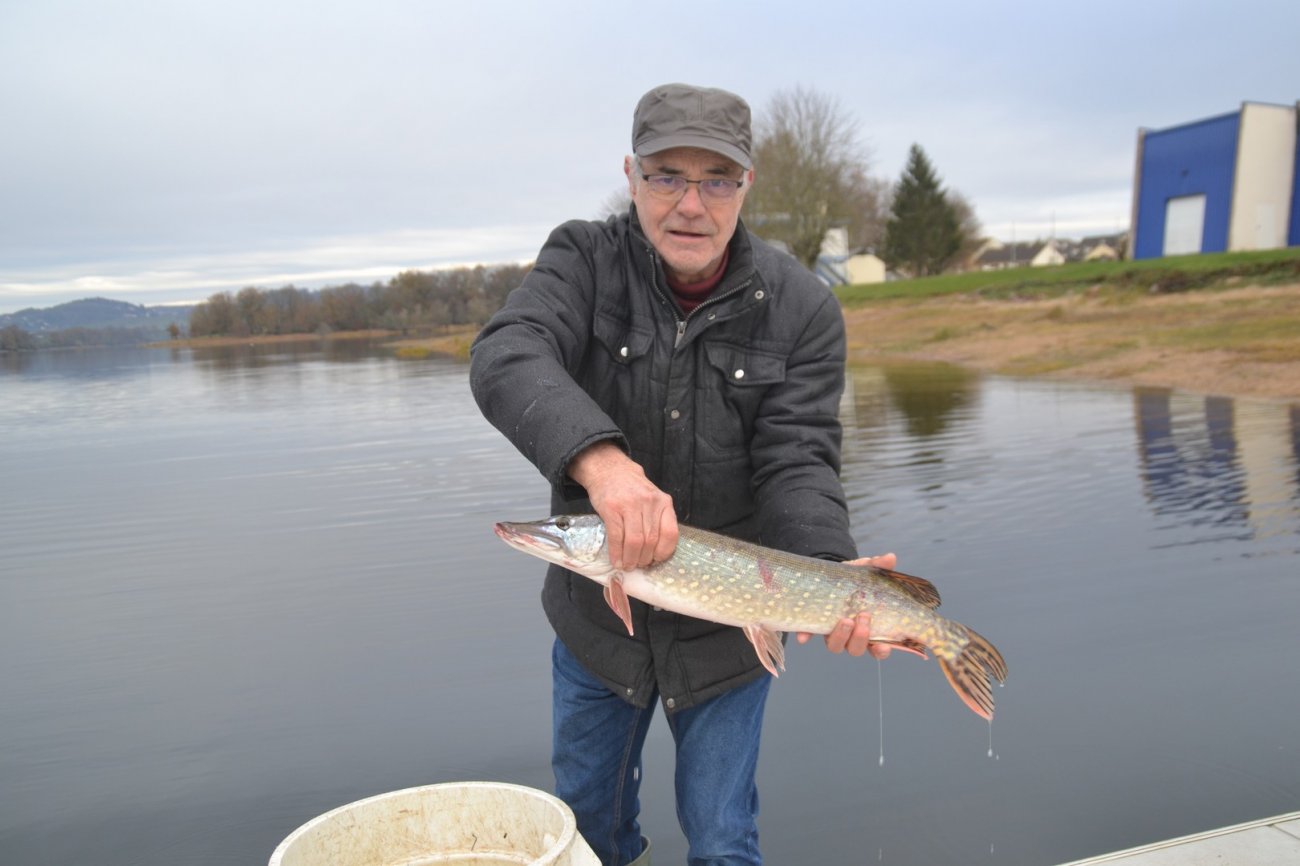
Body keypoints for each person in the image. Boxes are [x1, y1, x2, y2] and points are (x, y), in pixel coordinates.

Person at [470, 82, 893, 866]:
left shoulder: (802, 307)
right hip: (598, 632)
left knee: (724, 840)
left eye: (717, 180)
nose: (691, 204)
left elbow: (797, 458)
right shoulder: (582, 262)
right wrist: (602, 465)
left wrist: (828, 572)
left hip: (728, 638)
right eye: (667, 176)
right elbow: (507, 352)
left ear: (747, 185)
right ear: (631, 176)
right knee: (587, 833)